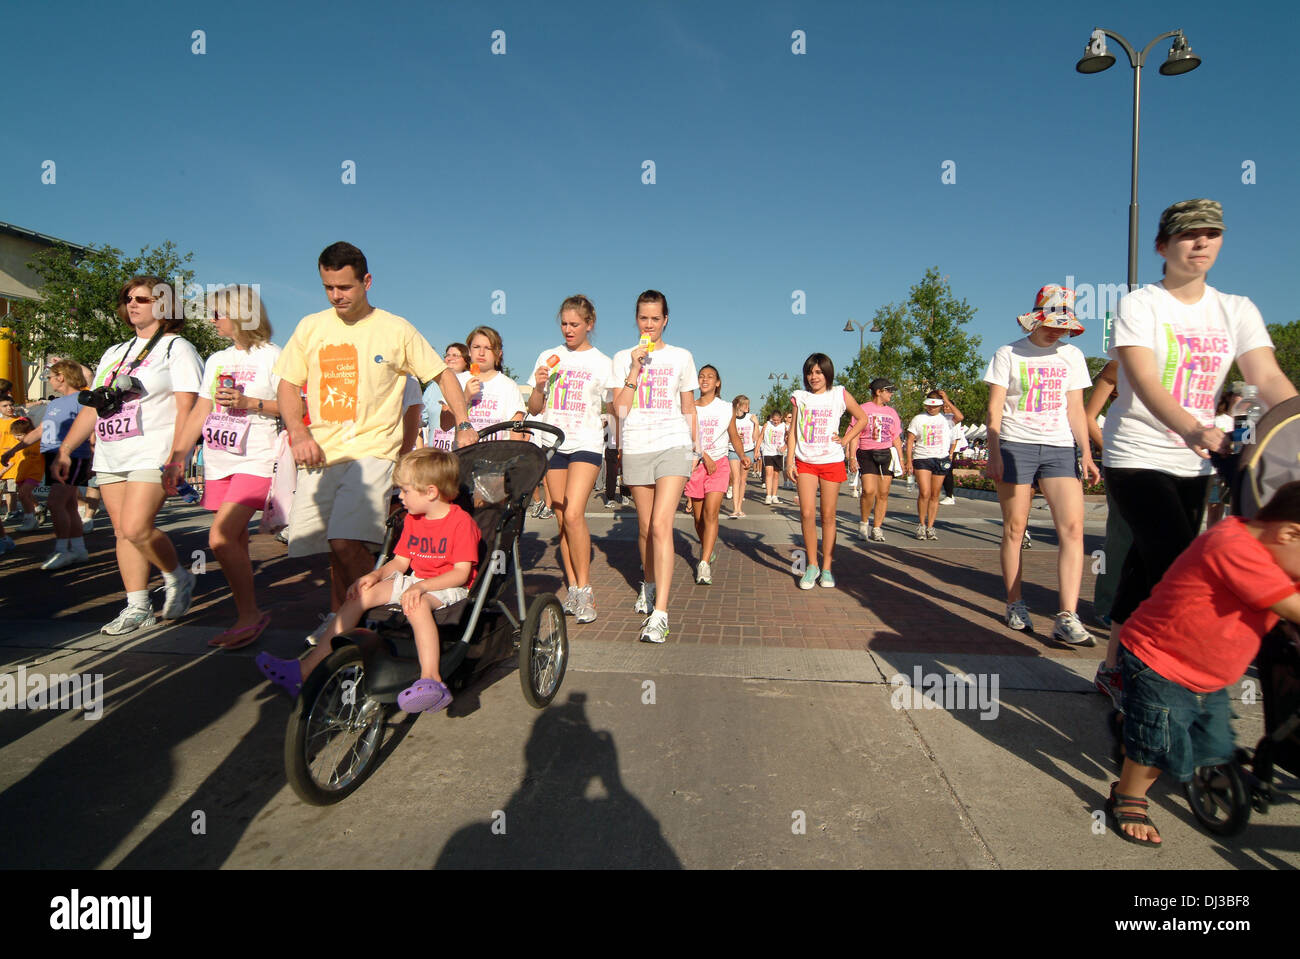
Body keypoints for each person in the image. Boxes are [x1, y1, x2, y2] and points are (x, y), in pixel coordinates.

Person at [1102, 199, 1296, 642]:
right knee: (1177, 560)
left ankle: (1116, 663)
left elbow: (1265, 376)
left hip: (1196, 460)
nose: (1202, 242)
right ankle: (1168, 668)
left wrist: (1295, 422)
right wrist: (1192, 427)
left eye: (1212, 233)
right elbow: (1145, 380)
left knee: (1147, 561)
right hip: (1137, 451)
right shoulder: (1139, 304)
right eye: (1189, 234)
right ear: (1162, 246)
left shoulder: (1237, 309)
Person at [273, 242, 476, 644]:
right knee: (333, 547)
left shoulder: (395, 329)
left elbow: (441, 374)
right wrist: (298, 431)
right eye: (328, 287)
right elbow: (287, 383)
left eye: (345, 287)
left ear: (366, 281)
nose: (336, 296)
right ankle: (340, 623)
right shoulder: (311, 327)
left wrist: (464, 422)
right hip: (321, 453)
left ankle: (384, 614)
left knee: (346, 540)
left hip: (373, 452)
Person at [1106, 481, 1300, 847]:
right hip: (1159, 659)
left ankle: (1133, 722)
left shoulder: (1279, 556)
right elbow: (1292, 607)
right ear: (1290, 533)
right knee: (1159, 743)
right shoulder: (1234, 546)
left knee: (1216, 741)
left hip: (1208, 674)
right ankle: (1128, 795)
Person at [257, 449, 479, 710]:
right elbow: (400, 563)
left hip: (447, 586)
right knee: (360, 594)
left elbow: (461, 573)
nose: (401, 497)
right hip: (417, 579)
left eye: (405, 491)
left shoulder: (461, 523)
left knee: (416, 604)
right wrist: (373, 576)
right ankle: (306, 668)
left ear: (430, 492)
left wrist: (422, 587)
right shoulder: (413, 519)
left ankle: (431, 679)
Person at [53, 276, 204, 634]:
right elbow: (92, 408)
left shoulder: (176, 348)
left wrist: (178, 457)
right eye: (128, 298)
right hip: (111, 452)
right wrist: (66, 449)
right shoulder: (114, 352)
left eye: (143, 298)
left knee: (137, 527)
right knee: (123, 532)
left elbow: (189, 407)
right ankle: (137, 606)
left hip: (153, 451)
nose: (132, 303)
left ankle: (177, 576)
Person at [164, 287, 281, 648]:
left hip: (257, 457)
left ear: (241, 314)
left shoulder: (275, 356)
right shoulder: (216, 360)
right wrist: (178, 457)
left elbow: (294, 408)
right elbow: (201, 410)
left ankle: (250, 614)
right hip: (219, 458)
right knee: (237, 541)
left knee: (220, 537)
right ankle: (246, 614)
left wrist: (250, 402)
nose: (211, 321)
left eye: (217, 313)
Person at [984, 285, 1100, 644]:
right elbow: (994, 408)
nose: (1056, 330)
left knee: (1073, 528)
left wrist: (1086, 451)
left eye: (1062, 325)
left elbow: (1076, 409)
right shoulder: (1009, 353)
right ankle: (1015, 602)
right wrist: (994, 451)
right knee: (1015, 528)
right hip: (1015, 443)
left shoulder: (1072, 356)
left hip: (1060, 446)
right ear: (1036, 318)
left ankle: (1067, 615)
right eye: (1050, 322)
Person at [609, 290, 698, 643]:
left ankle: (660, 612)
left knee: (662, 524)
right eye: (643, 318)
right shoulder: (622, 358)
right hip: (636, 445)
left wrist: (695, 448)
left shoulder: (682, 357)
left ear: (665, 320)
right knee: (645, 527)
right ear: (636, 319)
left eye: (655, 318)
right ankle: (647, 582)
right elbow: (619, 409)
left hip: (673, 444)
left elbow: (689, 407)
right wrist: (634, 368)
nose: (650, 324)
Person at [527, 295, 613, 624]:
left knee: (575, 513)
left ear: (589, 324)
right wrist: (538, 385)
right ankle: (574, 589)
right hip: (554, 442)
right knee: (562, 520)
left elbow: (616, 405)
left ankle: (586, 590)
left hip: (587, 442)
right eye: (563, 324)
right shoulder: (550, 358)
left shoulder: (602, 363)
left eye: (574, 324)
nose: (568, 330)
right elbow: (536, 408)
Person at [0, 362, 93, 567]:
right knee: (68, 505)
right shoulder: (55, 404)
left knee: (55, 503)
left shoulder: (83, 399)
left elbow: (92, 430)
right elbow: (41, 430)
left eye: (50, 376)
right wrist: (13, 450)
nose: (48, 380)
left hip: (73, 457)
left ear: (61, 377)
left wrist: (92, 457)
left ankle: (63, 550)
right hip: (54, 457)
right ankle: (78, 549)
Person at [785, 353, 866, 588]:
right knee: (807, 514)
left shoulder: (839, 393)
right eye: (810, 372)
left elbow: (862, 418)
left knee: (828, 516)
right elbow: (793, 433)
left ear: (827, 373)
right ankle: (812, 565)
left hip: (831, 461)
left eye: (819, 372)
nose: (814, 377)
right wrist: (789, 461)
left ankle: (827, 568)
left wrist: (845, 439)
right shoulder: (800, 397)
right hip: (805, 461)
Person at [1085, 358, 1134, 706]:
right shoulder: (1121, 363)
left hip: (1179, 463)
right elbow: (1088, 416)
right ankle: (1105, 603)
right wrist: (1109, 449)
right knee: (1122, 537)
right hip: (1128, 457)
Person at [686, 365, 738, 585]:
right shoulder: (690, 408)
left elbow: (733, 434)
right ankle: (707, 548)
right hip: (696, 465)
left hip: (719, 465)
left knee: (710, 514)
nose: (704, 379)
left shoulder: (726, 408)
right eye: (701, 376)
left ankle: (704, 563)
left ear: (718, 383)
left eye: (710, 377)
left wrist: (743, 456)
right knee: (698, 519)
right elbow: (687, 436)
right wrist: (703, 455)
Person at [905, 392, 960, 541]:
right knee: (925, 492)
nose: (932, 408)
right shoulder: (918, 419)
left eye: (935, 405)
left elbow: (960, 417)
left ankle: (930, 526)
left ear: (941, 406)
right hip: (922, 457)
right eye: (929, 405)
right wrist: (909, 460)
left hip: (940, 458)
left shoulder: (946, 419)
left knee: (935, 494)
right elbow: (910, 440)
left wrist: (947, 399)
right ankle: (921, 524)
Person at [854, 378, 904, 542]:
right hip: (866, 452)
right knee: (868, 490)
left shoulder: (892, 412)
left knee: (883, 493)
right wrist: (851, 457)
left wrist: (902, 460)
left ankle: (877, 527)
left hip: (886, 453)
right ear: (879, 391)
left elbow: (896, 437)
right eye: (889, 390)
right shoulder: (862, 409)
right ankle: (863, 523)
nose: (891, 394)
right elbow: (855, 433)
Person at [460, 326, 525, 440]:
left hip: (498, 455)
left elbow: (516, 432)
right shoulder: (457, 380)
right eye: (476, 347)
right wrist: (465, 398)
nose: (481, 353)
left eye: (488, 348)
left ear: (498, 354)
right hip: (463, 455)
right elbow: (445, 425)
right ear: (469, 351)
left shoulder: (509, 386)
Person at [0, 395, 42, 531]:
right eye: (4, 406)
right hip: (19, 469)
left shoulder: (35, 440)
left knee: (22, 494)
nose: (17, 439)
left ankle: (29, 517)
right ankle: (35, 512)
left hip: (29, 470)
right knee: (23, 494)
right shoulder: (19, 443)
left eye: (20, 436)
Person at [726, 396, 757, 519]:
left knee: (743, 480)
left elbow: (755, 438)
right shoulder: (730, 418)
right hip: (733, 450)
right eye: (745, 405)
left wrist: (756, 424)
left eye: (748, 405)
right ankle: (735, 509)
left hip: (748, 450)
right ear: (738, 405)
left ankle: (740, 507)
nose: (747, 407)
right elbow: (726, 436)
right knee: (735, 479)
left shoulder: (751, 418)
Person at [937, 391, 965, 505]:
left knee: (947, 471)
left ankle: (950, 496)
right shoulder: (942, 417)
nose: (945, 408)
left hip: (951, 448)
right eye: (944, 407)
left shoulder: (954, 418)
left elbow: (956, 437)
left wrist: (951, 452)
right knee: (943, 471)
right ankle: (948, 494)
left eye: (948, 406)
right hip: (944, 448)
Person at [759, 410, 787, 505]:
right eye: (774, 420)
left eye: (777, 420)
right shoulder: (767, 425)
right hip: (768, 452)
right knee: (768, 473)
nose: (775, 422)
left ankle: (774, 495)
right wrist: (756, 450)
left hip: (778, 452)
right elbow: (761, 437)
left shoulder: (784, 426)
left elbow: (789, 437)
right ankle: (768, 495)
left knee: (776, 475)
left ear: (781, 419)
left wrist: (785, 446)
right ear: (771, 418)